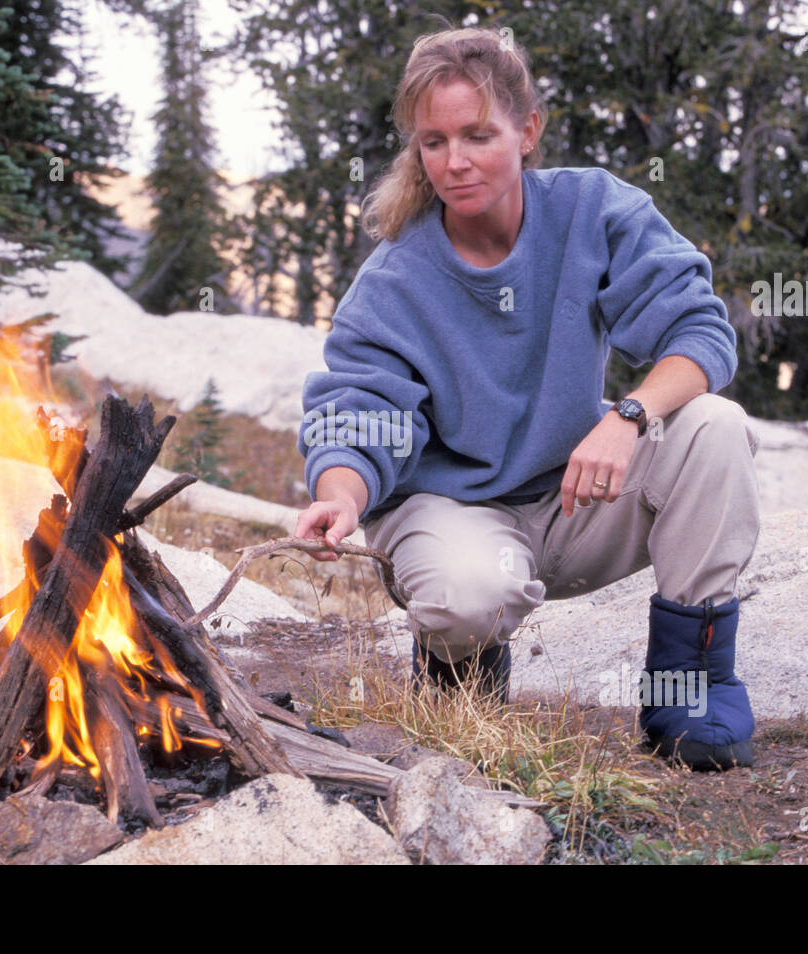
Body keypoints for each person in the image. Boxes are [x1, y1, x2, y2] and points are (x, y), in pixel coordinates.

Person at [293, 27, 762, 771]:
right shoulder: (394, 282)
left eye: (478, 135)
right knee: (467, 594)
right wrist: (341, 495)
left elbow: (700, 332)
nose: (456, 161)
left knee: (714, 427)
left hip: (576, 497)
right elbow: (357, 413)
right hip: (455, 516)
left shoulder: (593, 211)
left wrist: (629, 417)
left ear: (528, 130)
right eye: (435, 141)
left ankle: (691, 690)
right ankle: (461, 689)